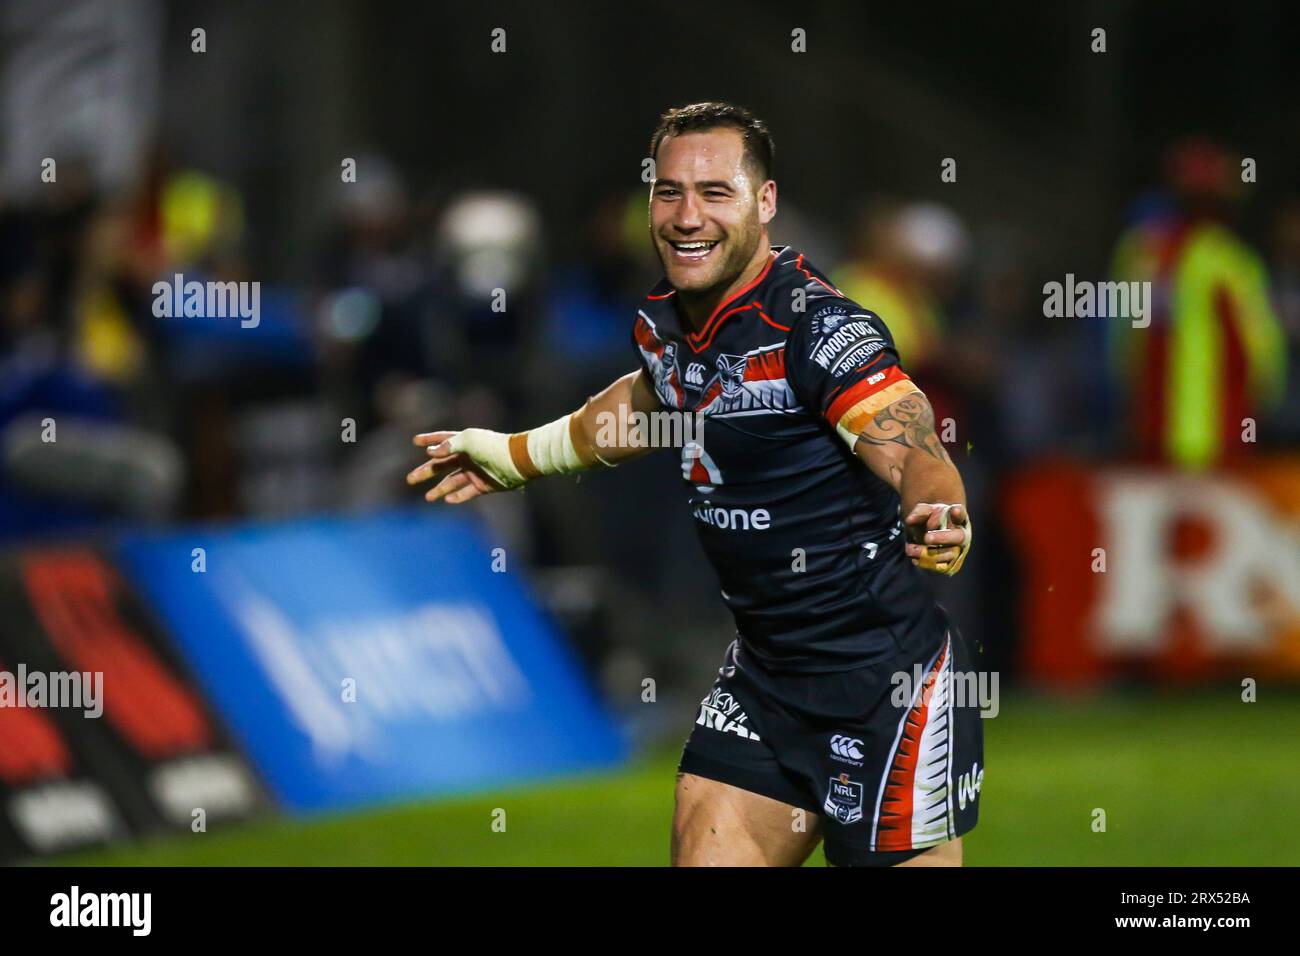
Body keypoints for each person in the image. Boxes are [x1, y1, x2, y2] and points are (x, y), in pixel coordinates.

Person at [406, 103, 981, 867]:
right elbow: (642, 405)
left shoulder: (817, 328)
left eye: (715, 192)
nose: (686, 216)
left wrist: (937, 506)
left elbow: (907, 435)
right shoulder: (671, 325)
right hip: (765, 680)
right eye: (669, 192)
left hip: (882, 687)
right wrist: (513, 456)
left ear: (764, 204)